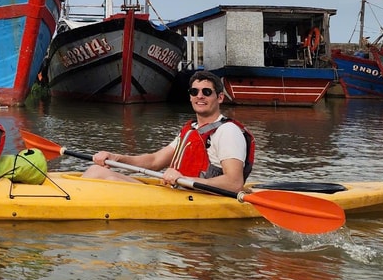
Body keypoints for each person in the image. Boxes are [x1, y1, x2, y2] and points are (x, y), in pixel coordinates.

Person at [84, 70, 255, 191]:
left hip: (198, 196)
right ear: (190, 96)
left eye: (207, 92)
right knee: (96, 171)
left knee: (111, 180)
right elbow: (155, 161)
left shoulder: (227, 131)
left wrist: (185, 179)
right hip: (177, 190)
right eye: (194, 91)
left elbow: (234, 183)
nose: (199, 96)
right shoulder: (191, 130)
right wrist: (116, 158)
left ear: (220, 97)